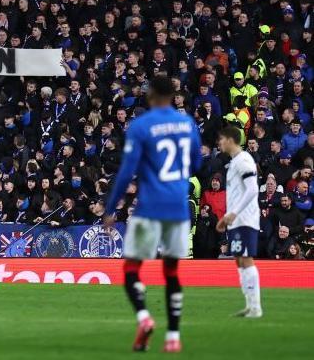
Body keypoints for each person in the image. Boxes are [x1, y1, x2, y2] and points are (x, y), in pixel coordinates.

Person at [104, 75, 202, 353]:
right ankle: (173, 337)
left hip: (149, 207)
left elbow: (126, 172)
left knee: (131, 268)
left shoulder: (141, 125)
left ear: (150, 97)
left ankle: (145, 318)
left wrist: (111, 208)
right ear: (173, 96)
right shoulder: (187, 124)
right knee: (172, 271)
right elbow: (196, 163)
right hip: (179, 208)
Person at [216, 126, 263, 318]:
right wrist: (228, 217)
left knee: (246, 259)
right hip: (236, 219)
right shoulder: (234, 162)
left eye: (221, 139)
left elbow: (252, 189)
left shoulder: (244, 160)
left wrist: (233, 214)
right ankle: (249, 304)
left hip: (245, 218)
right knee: (238, 260)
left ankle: (256, 307)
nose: (219, 143)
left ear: (230, 140)